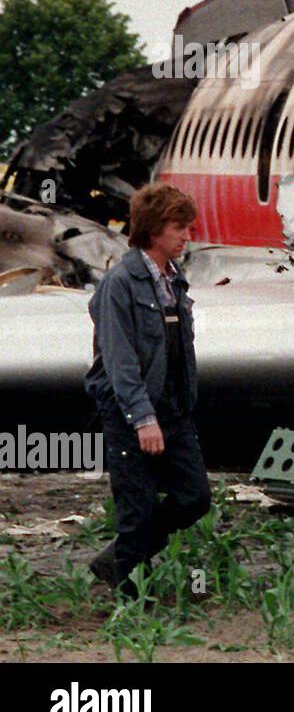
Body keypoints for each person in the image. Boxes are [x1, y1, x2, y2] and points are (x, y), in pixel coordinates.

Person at [84, 183, 211, 598]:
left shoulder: (174, 281)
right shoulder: (120, 284)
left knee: (194, 497)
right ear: (154, 229)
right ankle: (129, 600)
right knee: (136, 510)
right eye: (179, 227)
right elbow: (120, 361)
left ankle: (117, 558)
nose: (186, 235)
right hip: (130, 412)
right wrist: (143, 419)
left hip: (173, 409)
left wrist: (178, 409)